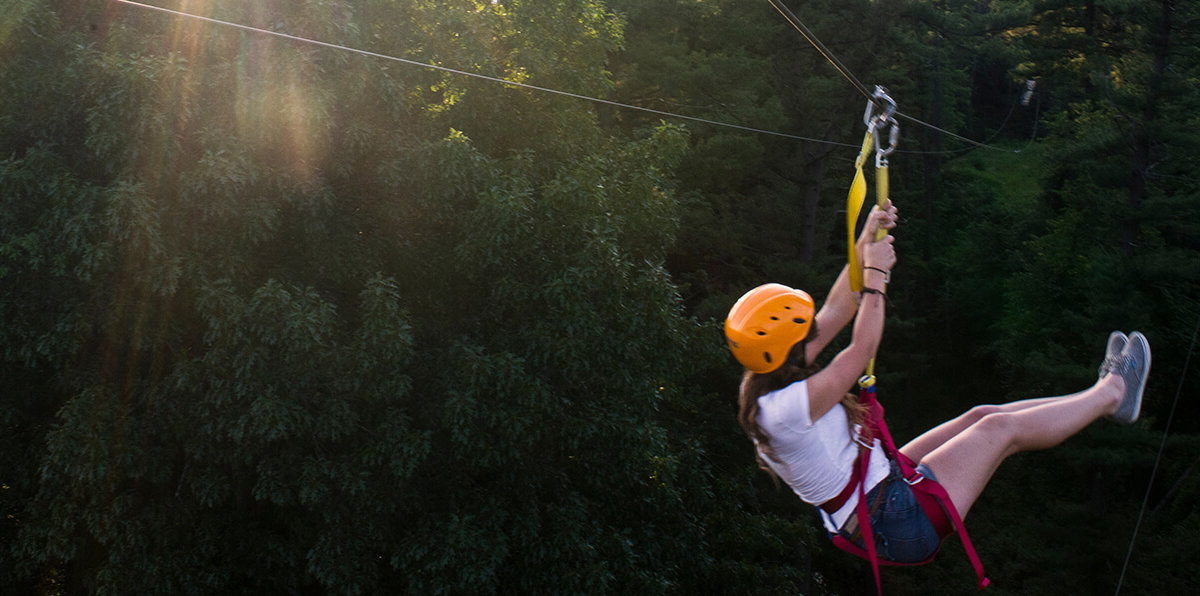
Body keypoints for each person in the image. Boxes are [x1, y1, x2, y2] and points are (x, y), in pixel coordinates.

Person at [723, 199, 1151, 566]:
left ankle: (1097, 395)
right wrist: (876, 279)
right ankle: (1113, 393)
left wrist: (865, 242)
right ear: (784, 344)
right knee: (998, 431)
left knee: (982, 416)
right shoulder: (783, 410)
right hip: (893, 520)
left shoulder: (769, 372)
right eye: (802, 329)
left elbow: (838, 309)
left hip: (881, 488)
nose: (812, 331)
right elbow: (859, 350)